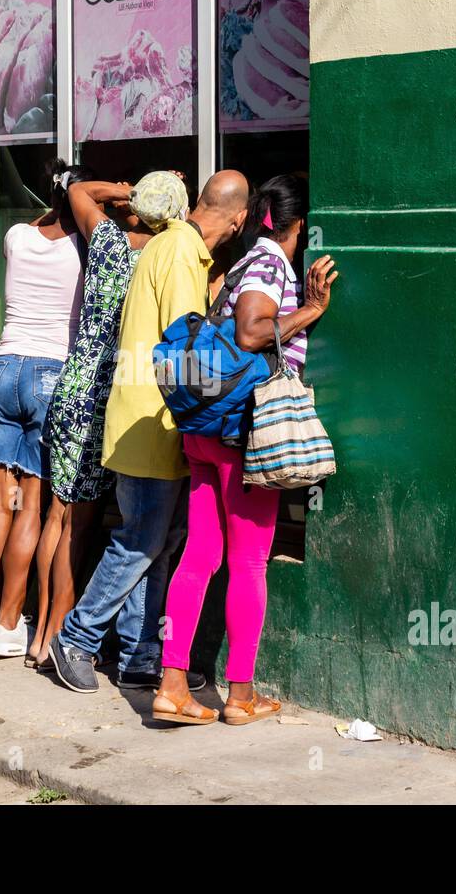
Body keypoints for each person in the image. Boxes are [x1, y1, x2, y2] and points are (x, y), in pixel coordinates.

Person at [49, 170, 252, 694]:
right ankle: (76, 638)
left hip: (141, 419)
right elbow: (187, 349)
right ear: (239, 219)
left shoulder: (167, 246)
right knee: (140, 543)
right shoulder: (183, 255)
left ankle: (141, 654)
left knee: (160, 544)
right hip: (153, 422)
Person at [153, 173, 339, 724]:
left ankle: (172, 687)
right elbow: (253, 333)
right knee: (250, 561)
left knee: (201, 555)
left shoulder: (238, 262)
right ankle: (239, 695)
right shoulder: (268, 263)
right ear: (297, 225)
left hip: (206, 434)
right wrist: (312, 309)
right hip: (240, 434)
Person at [26, 172, 184, 670]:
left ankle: (40, 633)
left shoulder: (109, 243)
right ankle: (61, 638)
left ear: (135, 208)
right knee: (86, 526)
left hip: (74, 385)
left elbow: (75, 192)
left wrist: (123, 190)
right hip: (109, 400)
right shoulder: (159, 256)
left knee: (59, 514)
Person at [0, 159, 92, 658]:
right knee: (32, 503)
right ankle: (11, 618)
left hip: (1, 370)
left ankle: (2, 618)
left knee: (1, 501)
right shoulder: (86, 245)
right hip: (50, 374)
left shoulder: (16, 236)